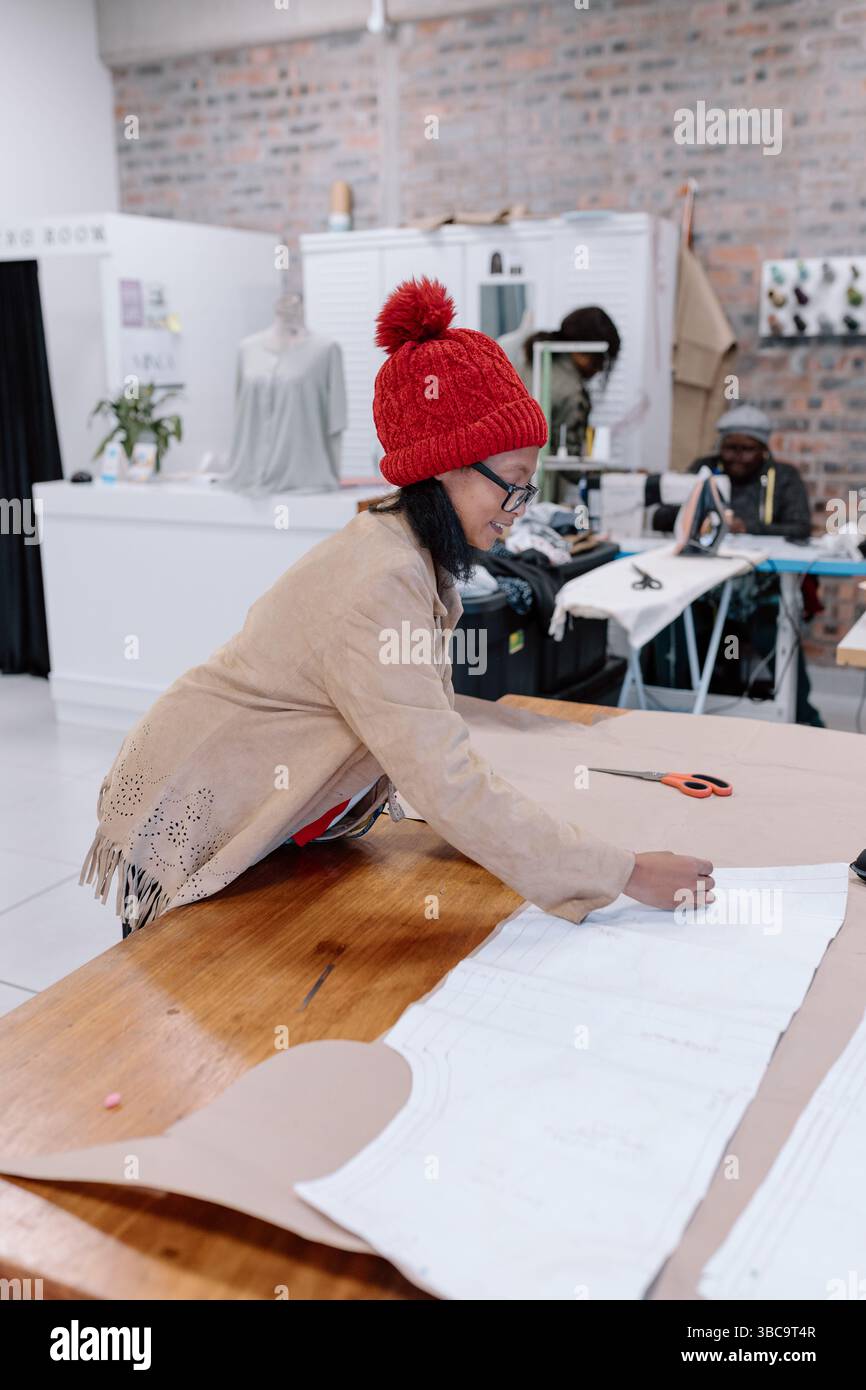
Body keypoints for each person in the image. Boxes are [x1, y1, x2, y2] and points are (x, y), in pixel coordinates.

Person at [80, 277, 713, 937]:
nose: (519, 512)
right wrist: (627, 872)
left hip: (252, 797)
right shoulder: (381, 581)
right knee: (178, 984)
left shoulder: (409, 555)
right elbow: (444, 778)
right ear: (448, 468)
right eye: (516, 485)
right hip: (191, 801)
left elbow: (421, 742)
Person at [649, 403, 823, 726]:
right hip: (707, 591)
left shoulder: (783, 478)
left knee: (781, 640)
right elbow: (663, 514)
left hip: (762, 592)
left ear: (763, 450)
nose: (736, 457)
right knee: (673, 626)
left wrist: (746, 526)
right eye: (730, 448)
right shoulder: (705, 470)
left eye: (747, 450)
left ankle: (805, 720)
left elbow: (800, 528)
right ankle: (671, 713)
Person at [518, 305, 621, 497]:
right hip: (533, 489)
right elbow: (572, 465)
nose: (599, 370)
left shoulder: (531, 360)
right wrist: (623, 478)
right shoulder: (571, 391)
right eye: (600, 360)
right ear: (584, 354)